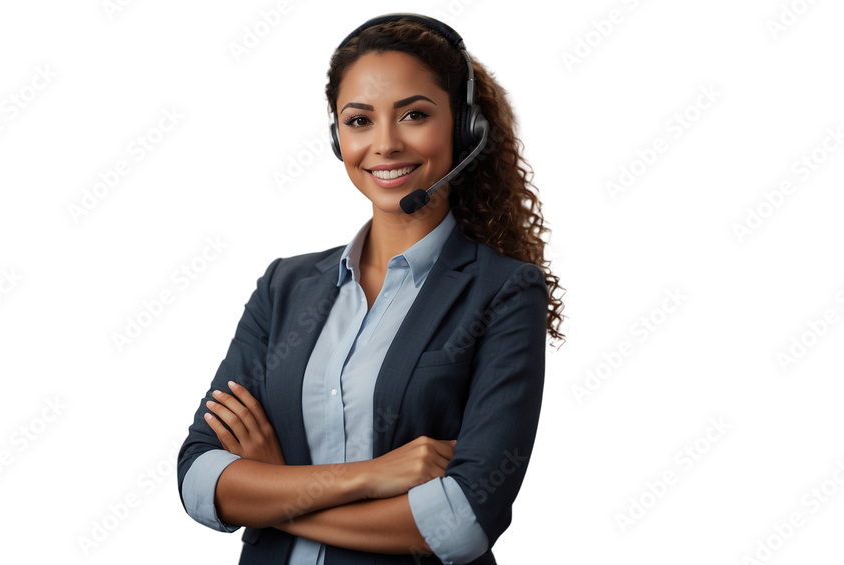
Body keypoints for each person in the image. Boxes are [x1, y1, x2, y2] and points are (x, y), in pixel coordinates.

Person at [177, 12, 565, 564]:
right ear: (338, 137)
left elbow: (461, 524)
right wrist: (372, 477)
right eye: (359, 120)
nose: (385, 143)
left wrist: (271, 487)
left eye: (413, 115)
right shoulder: (285, 286)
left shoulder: (503, 292)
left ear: (464, 127)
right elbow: (198, 478)